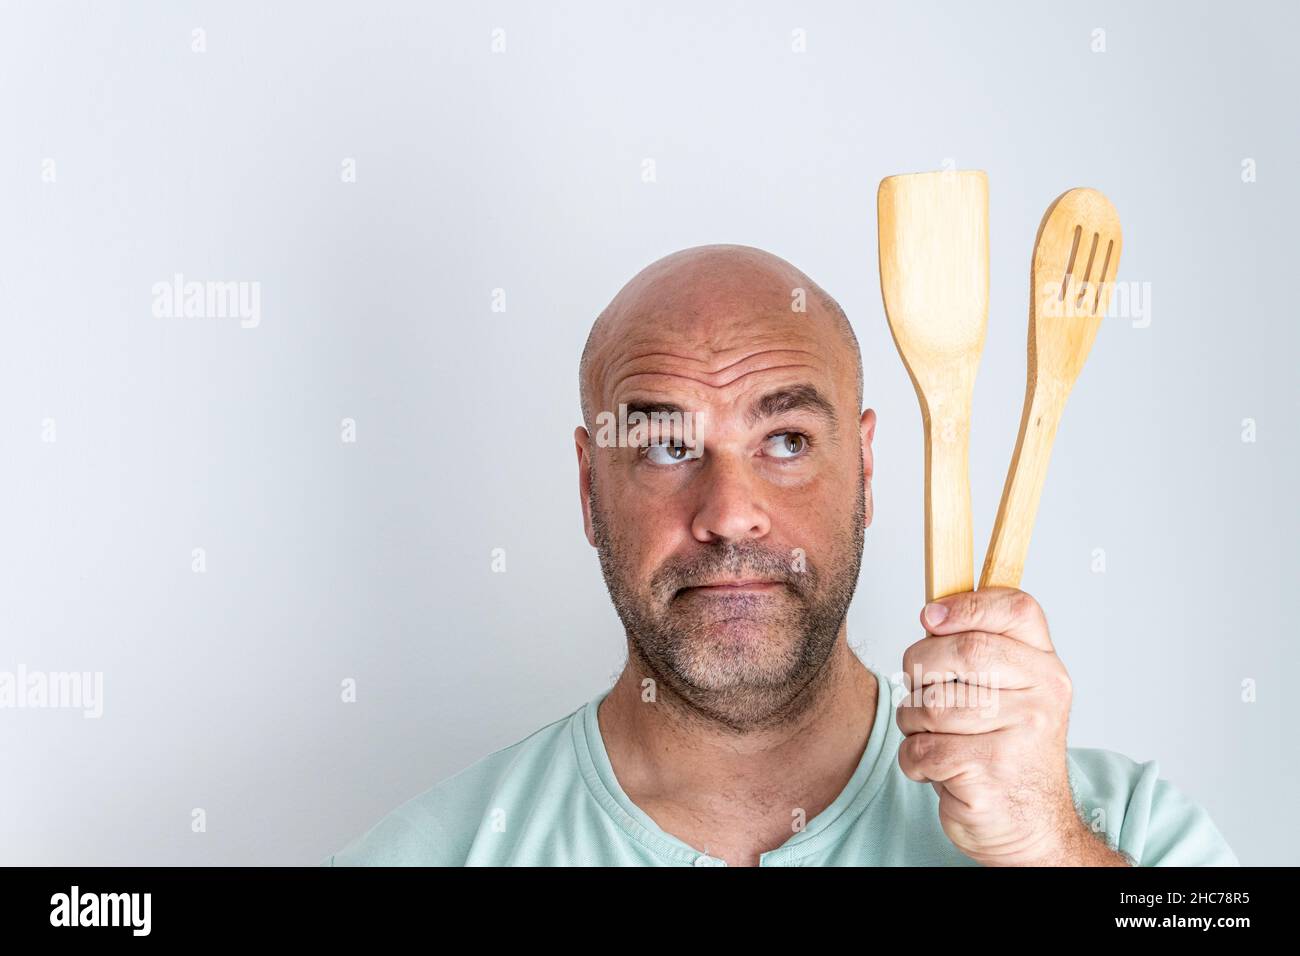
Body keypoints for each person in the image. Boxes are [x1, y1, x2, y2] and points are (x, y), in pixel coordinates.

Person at [325, 245, 1236, 866]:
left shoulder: (1127, 832)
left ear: (868, 471)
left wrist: (1048, 847)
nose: (730, 515)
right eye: (666, 447)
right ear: (588, 489)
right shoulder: (431, 854)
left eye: (788, 441)